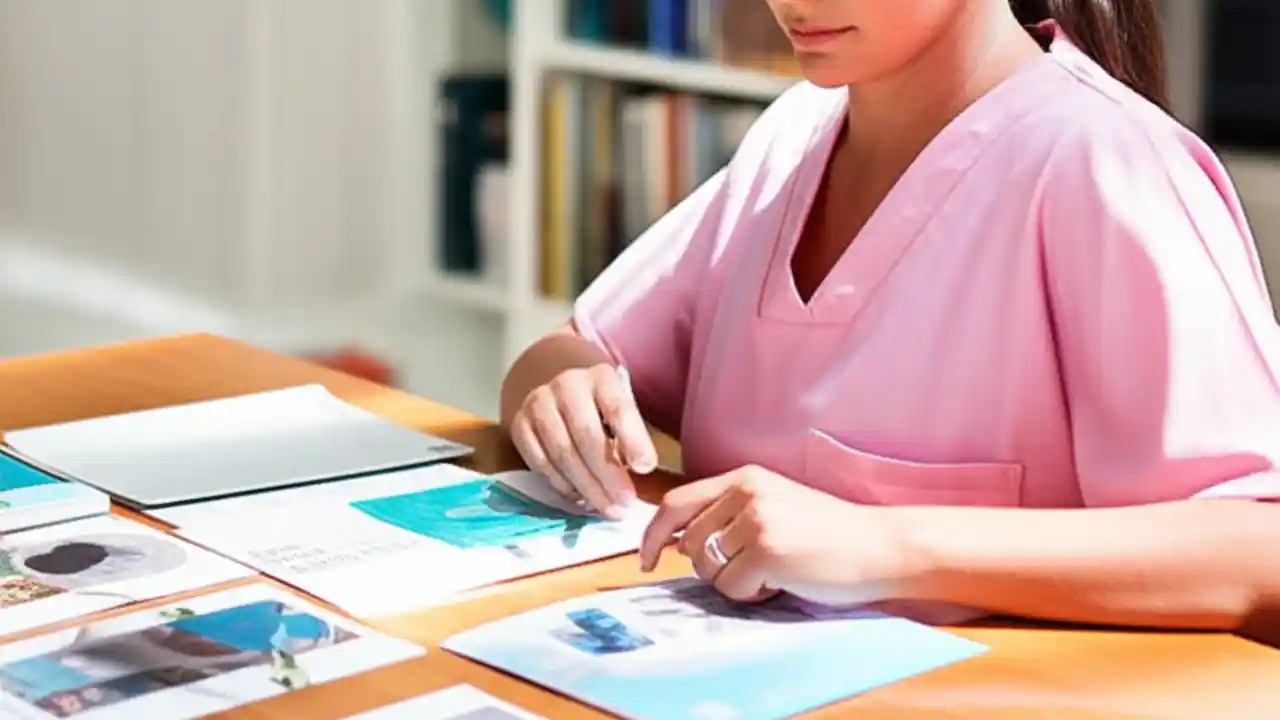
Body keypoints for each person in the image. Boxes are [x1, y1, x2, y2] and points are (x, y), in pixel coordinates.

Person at [499, 0, 1280, 639]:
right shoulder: (793, 133)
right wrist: (562, 391)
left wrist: (883, 544)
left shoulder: (1106, 163)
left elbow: (1256, 550)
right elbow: (575, 351)